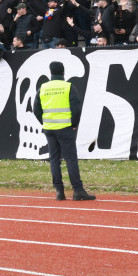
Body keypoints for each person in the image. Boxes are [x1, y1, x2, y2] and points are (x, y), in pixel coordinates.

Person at [34, 61, 96, 201]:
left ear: (51, 72)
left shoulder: (43, 87)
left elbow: (36, 109)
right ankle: (78, 190)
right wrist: (74, 124)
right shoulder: (68, 87)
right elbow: (76, 108)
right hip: (66, 128)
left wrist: (45, 122)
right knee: (70, 159)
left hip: (49, 129)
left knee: (54, 159)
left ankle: (59, 192)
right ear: (63, 72)